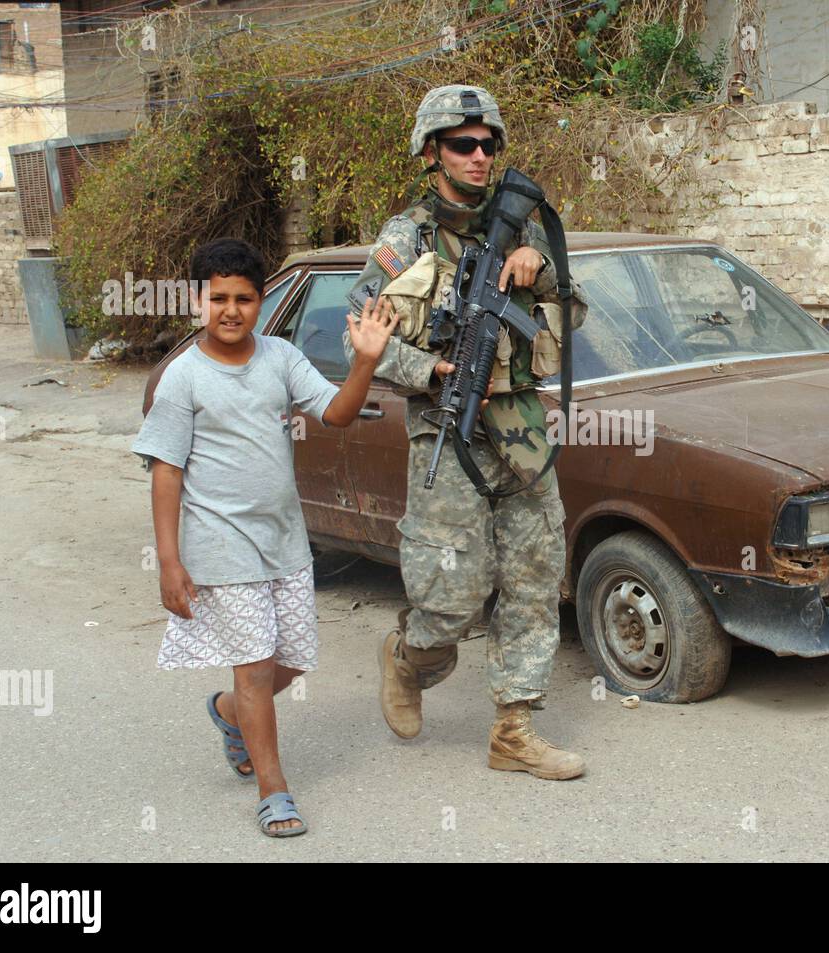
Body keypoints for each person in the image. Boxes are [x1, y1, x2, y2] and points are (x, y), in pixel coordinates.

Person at [344, 84, 586, 780]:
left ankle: (514, 730)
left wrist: (542, 276)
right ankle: (409, 658)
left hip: (522, 432)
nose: (479, 157)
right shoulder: (406, 237)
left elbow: (577, 313)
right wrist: (428, 367)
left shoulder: (529, 228)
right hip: (448, 431)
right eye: (462, 145)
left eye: (488, 146)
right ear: (431, 152)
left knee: (537, 577)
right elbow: (358, 336)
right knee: (450, 593)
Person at [132, 238, 399, 836]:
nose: (231, 310)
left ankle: (229, 713)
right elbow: (166, 471)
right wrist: (169, 562)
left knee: (295, 659)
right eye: (217, 297)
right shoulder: (183, 378)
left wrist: (364, 362)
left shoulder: (280, 358)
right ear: (198, 301)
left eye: (245, 298)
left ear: (260, 302)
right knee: (253, 669)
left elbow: (336, 414)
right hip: (219, 547)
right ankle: (274, 789)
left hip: (283, 541)